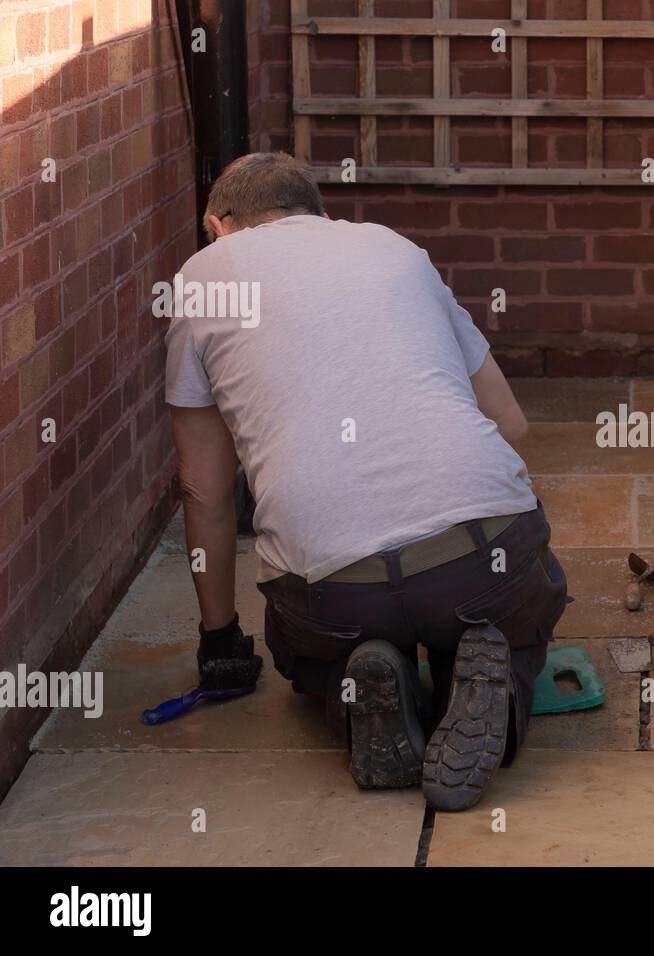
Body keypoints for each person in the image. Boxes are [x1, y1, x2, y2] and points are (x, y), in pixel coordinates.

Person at [163, 152, 567, 811]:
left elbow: (203, 490)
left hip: (336, 592)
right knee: (514, 615)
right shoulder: (392, 247)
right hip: (480, 562)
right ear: (320, 214)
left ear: (217, 226)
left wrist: (220, 643)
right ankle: (488, 677)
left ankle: (356, 682)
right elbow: (510, 422)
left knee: (310, 655)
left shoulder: (201, 279)